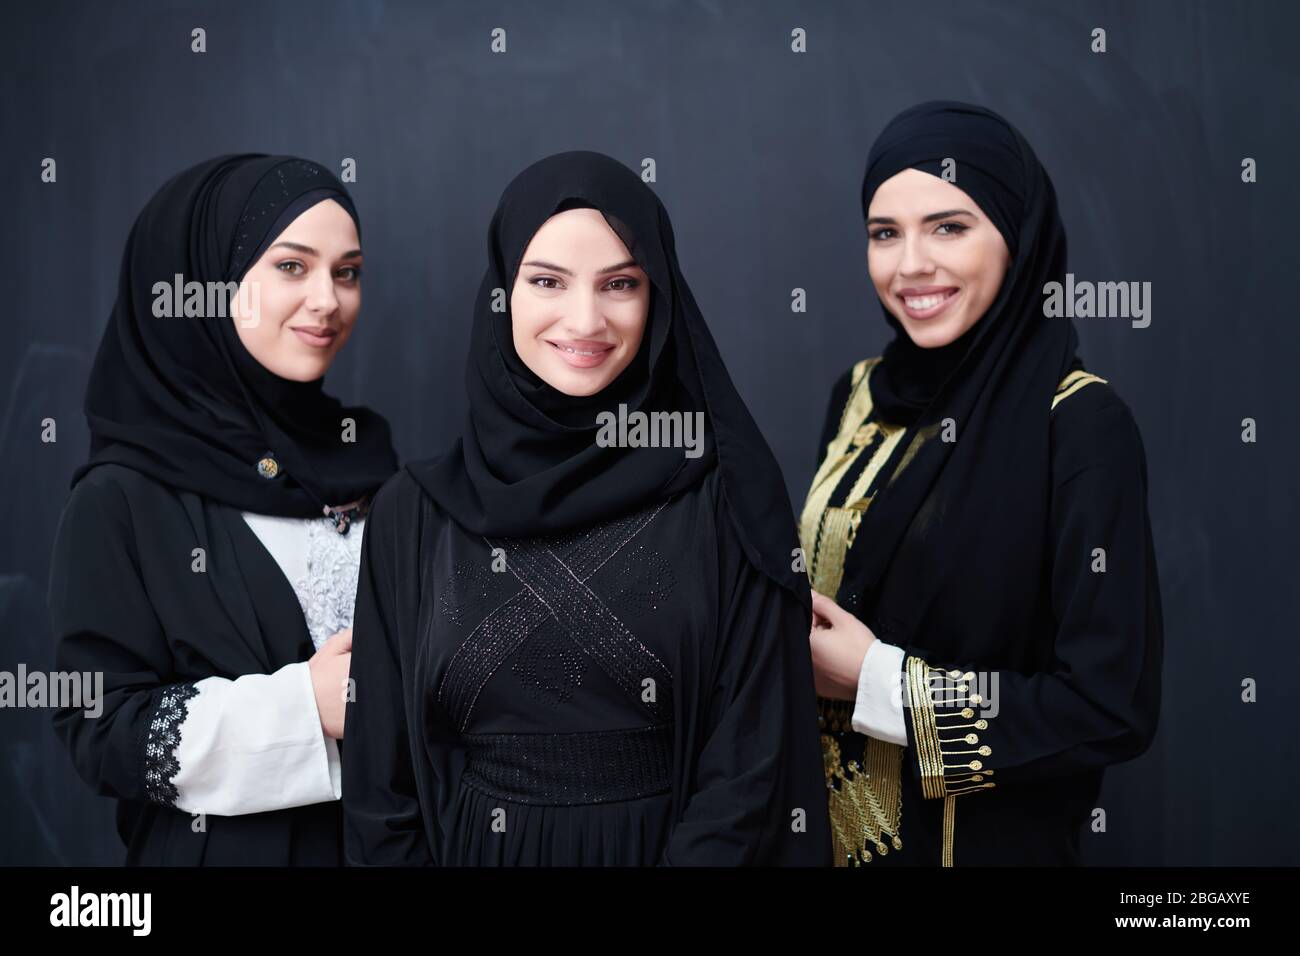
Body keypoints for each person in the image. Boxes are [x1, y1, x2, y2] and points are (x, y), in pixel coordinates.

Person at [342, 150, 830, 866]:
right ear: (503, 292)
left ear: (657, 298)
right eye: (546, 281)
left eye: (620, 284)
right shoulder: (412, 512)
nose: (586, 319)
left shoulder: (725, 495)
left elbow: (751, 772)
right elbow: (380, 794)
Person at [802, 102, 1163, 866]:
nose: (911, 266)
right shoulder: (858, 394)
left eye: (949, 227)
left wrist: (880, 683)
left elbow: (1108, 708)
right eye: (884, 233)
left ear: (1016, 236)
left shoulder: (1079, 424)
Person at [48, 154, 397, 865]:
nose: (328, 300)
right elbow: (98, 726)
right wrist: (305, 707)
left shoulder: (375, 466)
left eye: (348, 271)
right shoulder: (123, 497)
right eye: (292, 267)